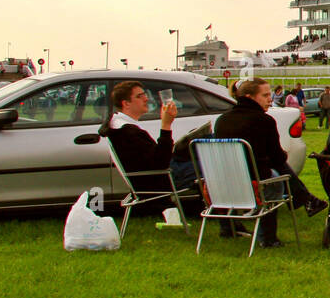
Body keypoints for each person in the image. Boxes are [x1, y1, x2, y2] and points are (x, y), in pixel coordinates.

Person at [103, 80, 246, 237]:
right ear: (126, 103)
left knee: (205, 144)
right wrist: (166, 125)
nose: (146, 99)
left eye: (145, 94)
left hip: (161, 172)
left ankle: (229, 223)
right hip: (160, 179)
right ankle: (231, 222)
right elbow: (159, 163)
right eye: (140, 96)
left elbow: (153, 157)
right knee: (213, 165)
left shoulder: (119, 125)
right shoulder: (127, 131)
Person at [213, 79, 328, 248]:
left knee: (272, 169)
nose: (270, 99)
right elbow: (278, 159)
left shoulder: (222, 120)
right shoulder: (263, 121)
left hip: (224, 180)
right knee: (276, 176)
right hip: (255, 180)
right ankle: (268, 237)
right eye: (265, 95)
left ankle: (228, 227)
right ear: (249, 97)